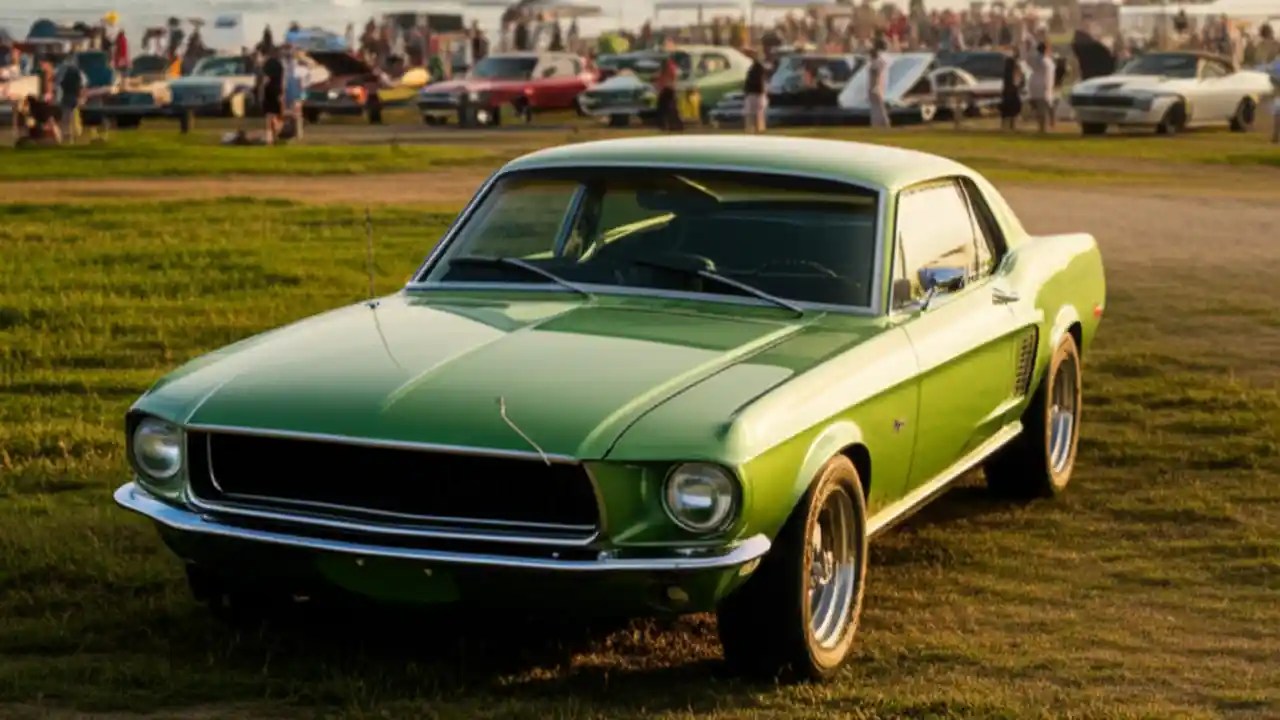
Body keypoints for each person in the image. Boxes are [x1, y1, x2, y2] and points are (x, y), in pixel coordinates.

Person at [56, 58, 86, 143]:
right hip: (74, 97)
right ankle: (74, 135)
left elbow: (61, 84)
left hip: (66, 97)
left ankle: (65, 135)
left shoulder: (65, 73)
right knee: (74, 117)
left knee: (66, 117)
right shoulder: (78, 73)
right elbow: (82, 85)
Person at [1027, 41, 1055, 133]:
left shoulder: (1037, 59)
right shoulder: (1046, 60)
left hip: (1038, 84)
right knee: (1043, 107)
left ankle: (1045, 125)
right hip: (1043, 85)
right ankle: (1043, 127)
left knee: (1044, 107)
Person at [259, 46, 285, 144]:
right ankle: (274, 134)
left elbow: (266, 78)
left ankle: (270, 136)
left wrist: (261, 89)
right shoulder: (279, 64)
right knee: (275, 114)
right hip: (277, 91)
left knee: (270, 115)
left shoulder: (269, 63)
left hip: (270, 91)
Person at [655, 54, 683, 132]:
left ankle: (670, 125)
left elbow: (672, 77)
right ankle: (673, 125)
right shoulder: (670, 67)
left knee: (666, 108)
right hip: (667, 88)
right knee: (669, 108)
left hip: (667, 89)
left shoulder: (669, 67)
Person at [742, 49, 768, 134]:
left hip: (756, 92)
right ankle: (753, 129)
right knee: (752, 112)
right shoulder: (753, 67)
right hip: (753, 92)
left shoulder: (758, 67)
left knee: (754, 112)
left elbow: (759, 80)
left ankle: (755, 129)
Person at [867, 40, 890, 128]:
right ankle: (878, 124)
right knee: (876, 107)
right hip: (875, 87)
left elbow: (876, 74)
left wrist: (875, 86)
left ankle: (882, 124)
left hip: (875, 87)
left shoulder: (876, 62)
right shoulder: (879, 61)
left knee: (878, 107)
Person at [999, 52, 1022, 130]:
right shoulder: (1014, 69)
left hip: (1007, 92)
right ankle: (1012, 125)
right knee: (1012, 111)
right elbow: (1018, 81)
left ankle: (1005, 126)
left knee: (1006, 111)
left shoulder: (1007, 70)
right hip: (1013, 92)